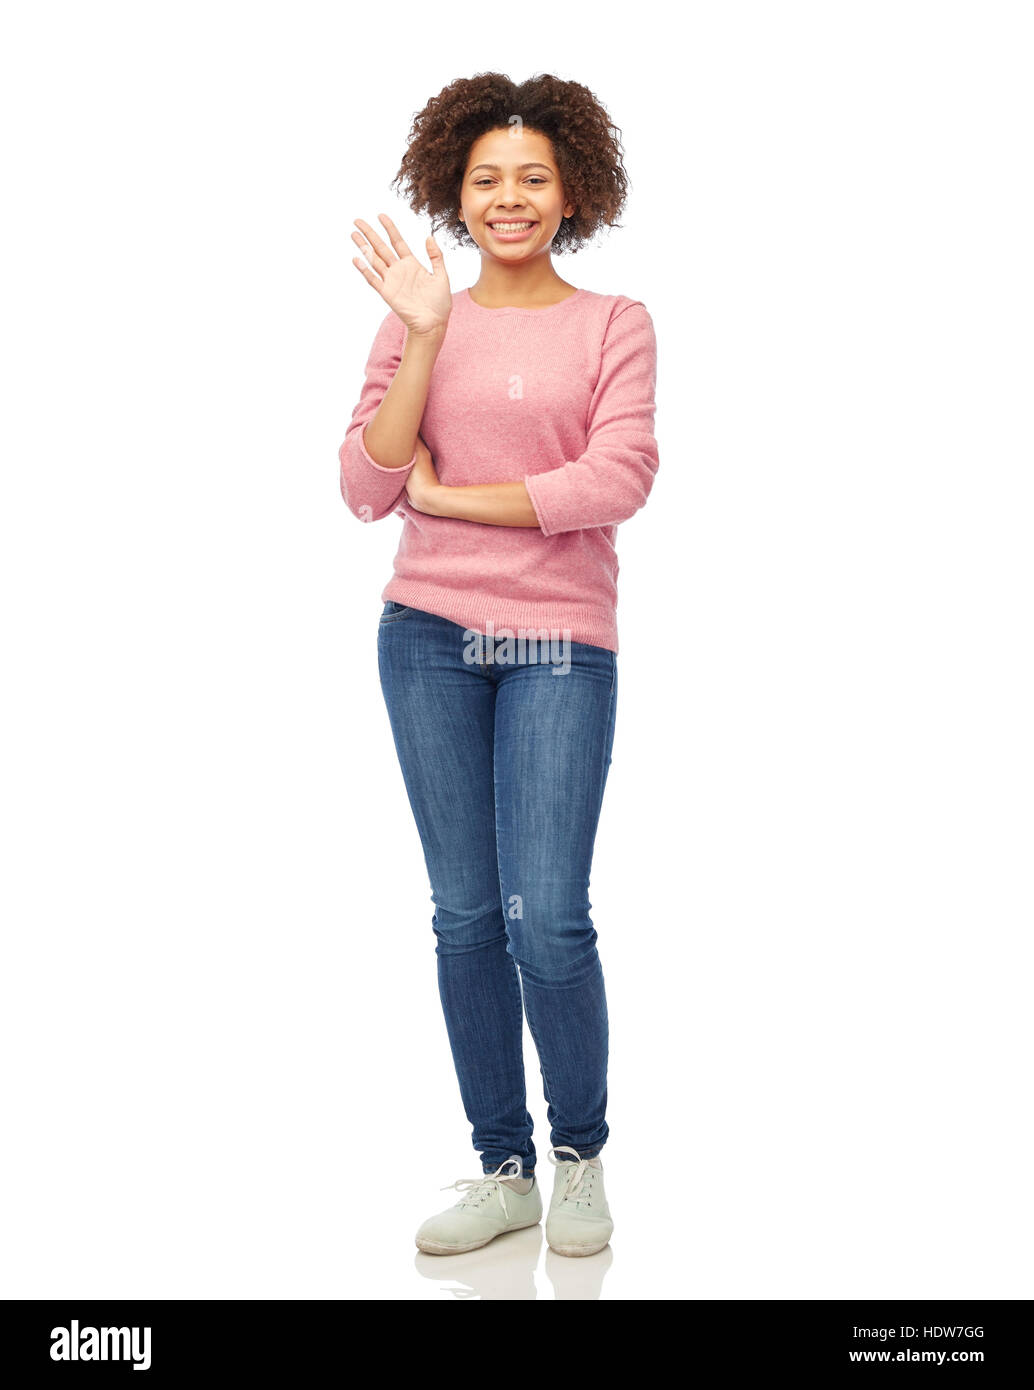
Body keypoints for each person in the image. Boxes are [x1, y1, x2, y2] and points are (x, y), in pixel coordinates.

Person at [339, 73, 659, 1258]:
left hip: (556, 647)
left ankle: (579, 1158)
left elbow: (613, 481)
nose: (508, 197)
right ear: (453, 193)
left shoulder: (612, 322)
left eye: (531, 175)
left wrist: (451, 494)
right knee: (466, 915)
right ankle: (503, 1167)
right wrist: (423, 332)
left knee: (550, 916)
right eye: (485, 179)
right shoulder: (415, 315)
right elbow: (367, 486)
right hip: (425, 637)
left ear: (569, 187)